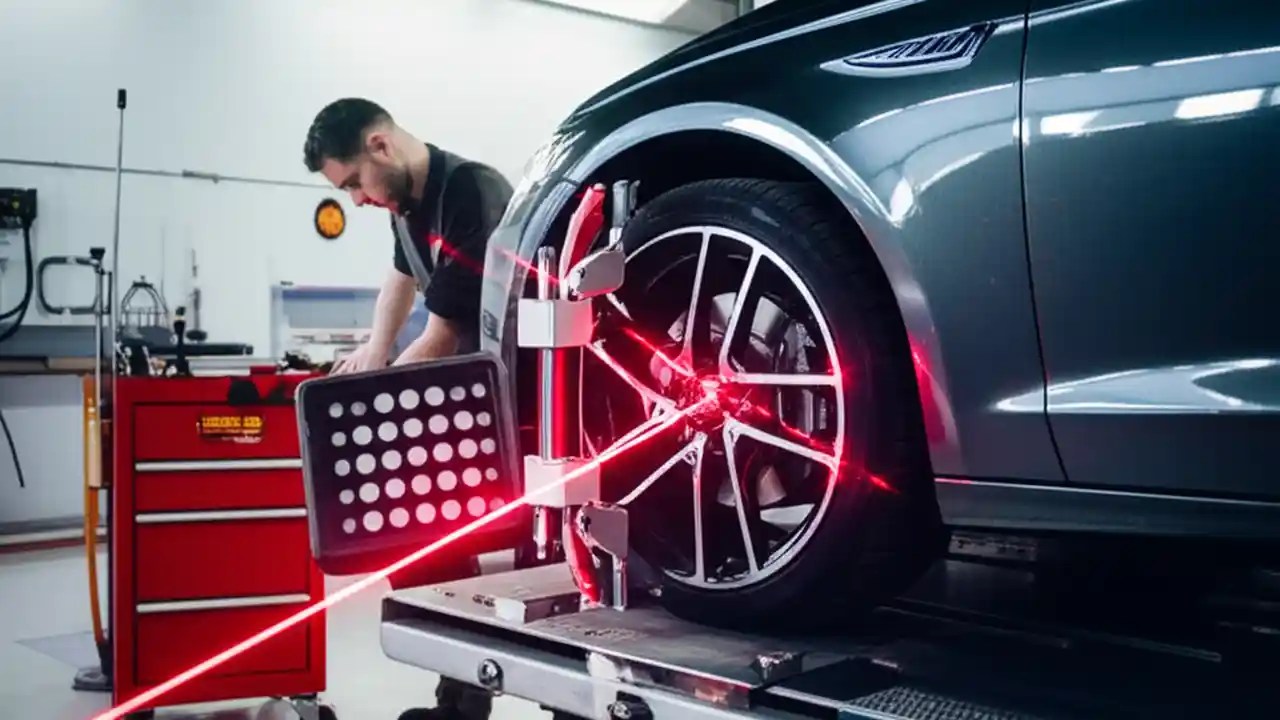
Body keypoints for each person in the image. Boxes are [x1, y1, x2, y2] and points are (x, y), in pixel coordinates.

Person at [304, 97, 513, 720]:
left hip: (512, 411)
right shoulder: (408, 204)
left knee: (450, 549)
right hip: (466, 408)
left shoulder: (471, 192)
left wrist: (376, 400)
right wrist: (373, 352)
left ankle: (472, 699)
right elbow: (400, 279)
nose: (357, 200)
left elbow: (444, 333)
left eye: (354, 183)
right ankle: (459, 702)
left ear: (380, 147)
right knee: (426, 545)